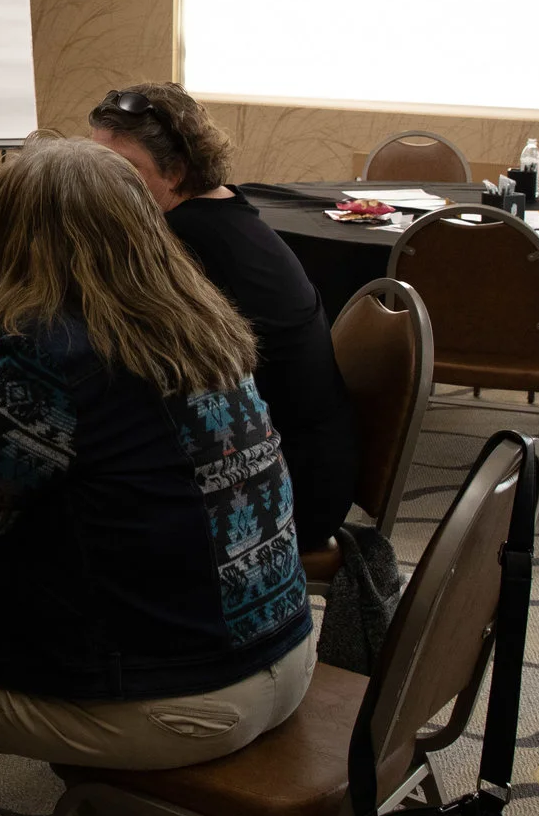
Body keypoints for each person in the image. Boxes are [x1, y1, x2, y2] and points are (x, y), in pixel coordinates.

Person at [0, 138, 312, 816]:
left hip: (181, 696)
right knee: (95, 614)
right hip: (283, 650)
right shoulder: (201, 326)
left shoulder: (47, 356)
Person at [88, 84, 359, 550]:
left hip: (281, 494)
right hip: (309, 470)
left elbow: (116, 366)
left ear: (175, 172)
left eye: (122, 170)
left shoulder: (184, 240)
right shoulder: (227, 211)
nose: (100, 185)